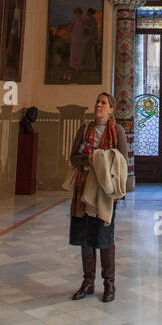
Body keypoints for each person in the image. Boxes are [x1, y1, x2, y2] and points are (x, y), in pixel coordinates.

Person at [66, 92, 125, 302]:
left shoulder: (117, 131)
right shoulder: (85, 129)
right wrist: (89, 159)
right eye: (97, 101)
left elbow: (122, 162)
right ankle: (88, 282)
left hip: (104, 191)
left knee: (104, 237)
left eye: (103, 103)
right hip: (83, 188)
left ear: (111, 109)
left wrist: (99, 160)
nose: (98, 105)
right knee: (85, 237)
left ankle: (109, 284)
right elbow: (73, 158)